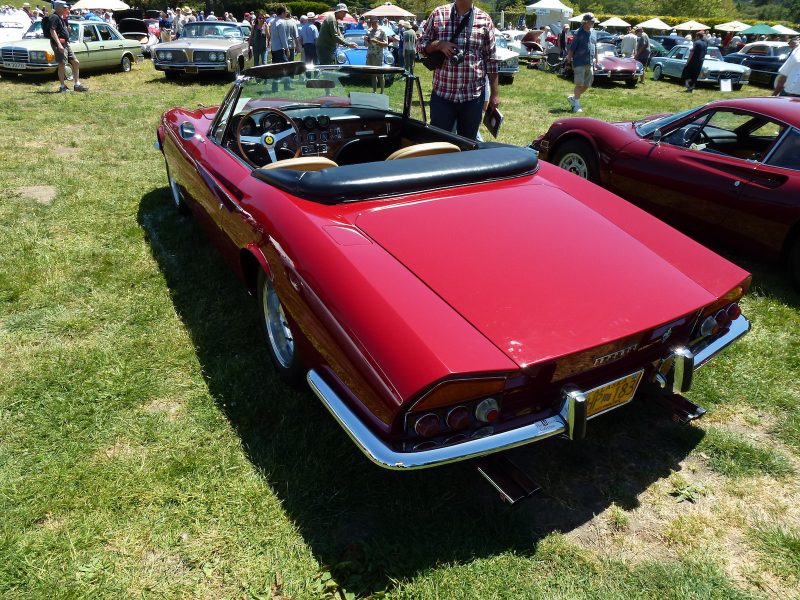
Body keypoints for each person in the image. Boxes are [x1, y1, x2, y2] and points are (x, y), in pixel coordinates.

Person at [417, 0, 499, 140]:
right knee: (439, 143)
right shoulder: (438, 14)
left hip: (473, 97)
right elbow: (420, 44)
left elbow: (491, 59)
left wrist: (495, 94)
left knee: (467, 144)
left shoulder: (485, 19)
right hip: (443, 95)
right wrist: (439, 44)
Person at [48, 1, 86, 92]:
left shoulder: (62, 17)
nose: (66, 9)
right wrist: (59, 44)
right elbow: (52, 31)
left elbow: (63, 30)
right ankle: (62, 87)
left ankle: (77, 84)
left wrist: (67, 29)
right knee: (62, 64)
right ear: (58, 7)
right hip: (59, 44)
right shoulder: (54, 17)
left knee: (75, 62)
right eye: (64, 7)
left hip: (66, 43)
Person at [565, 13, 596, 113]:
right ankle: (577, 106)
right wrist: (568, 62)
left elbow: (594, 46)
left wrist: (596, 59)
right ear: (585, 22)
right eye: (592, 21)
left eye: (593, 21)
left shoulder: (593, 32)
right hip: (579, 62)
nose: (593, 23)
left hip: (589, 62)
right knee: (579, 84)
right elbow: (572, 49)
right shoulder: (579, 33)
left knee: (587, 84)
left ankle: (573, 98)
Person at [364, 16, 388, 93]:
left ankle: (382, 92)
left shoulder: (382, 31)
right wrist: (366, 40)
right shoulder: (368, 31)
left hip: (378, 56)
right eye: (371, 23)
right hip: (370, 55)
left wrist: (377, 42)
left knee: (380, 74)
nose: (372, 24)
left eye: (374, 22)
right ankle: (374, 91)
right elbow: (366, 45)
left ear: (377, 22)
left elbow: (386, 44)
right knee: (373, 74)